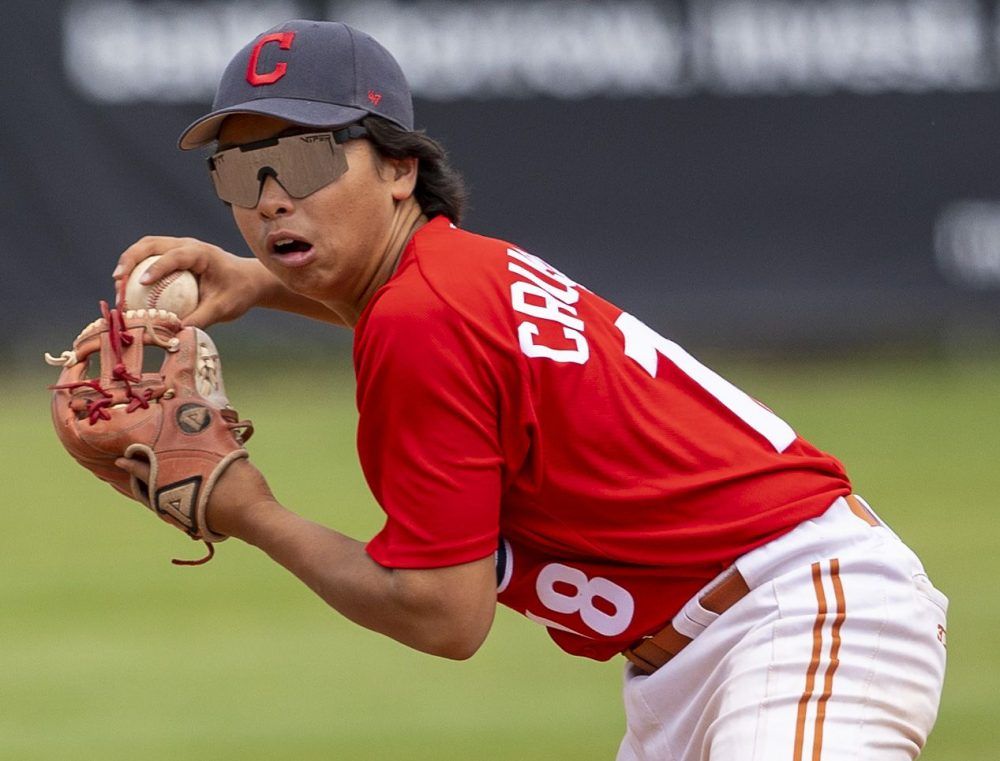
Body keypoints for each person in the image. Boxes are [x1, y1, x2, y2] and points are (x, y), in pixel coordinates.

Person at [113, 19, 948, 760]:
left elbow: (443, 614)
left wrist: (247, 508)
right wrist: (258, 284)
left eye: (303, 156)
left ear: (400, 169)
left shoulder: (421, 318)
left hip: (796, 617)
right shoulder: (453, 274)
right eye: (240, 172)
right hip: (715, 646)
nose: (270, 198)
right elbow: (421, 327)